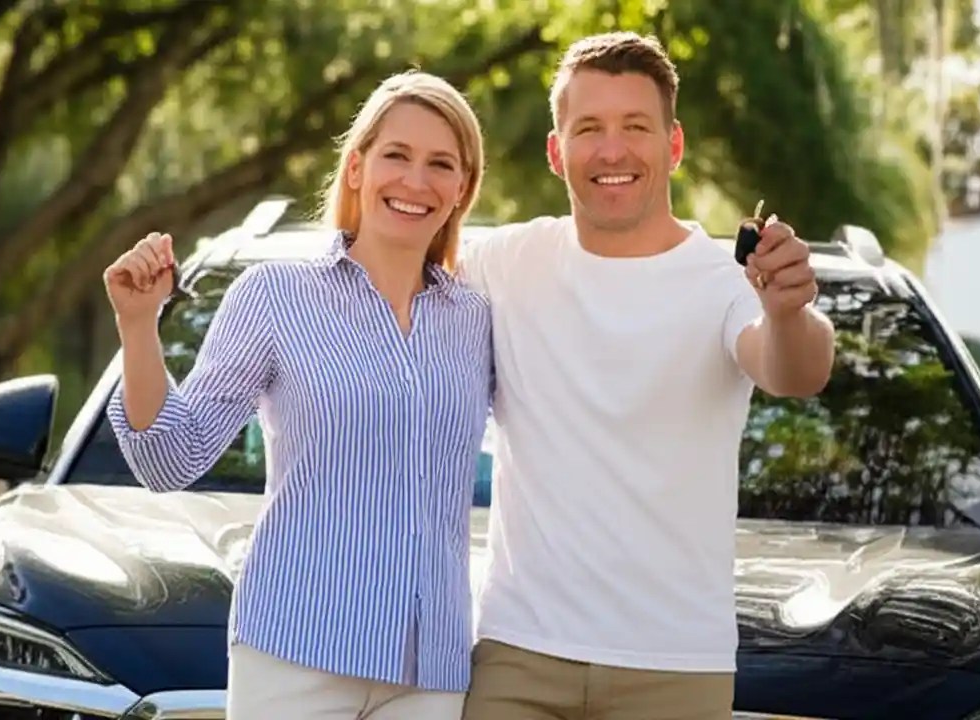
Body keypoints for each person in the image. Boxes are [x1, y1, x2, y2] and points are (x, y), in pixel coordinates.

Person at [457, 32, 836, 720]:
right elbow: (383, 300)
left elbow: (794, 371)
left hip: (673, 667)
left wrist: (788, 313)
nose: (612, 151)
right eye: (589, 128)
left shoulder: (724, 281)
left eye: (636, 126)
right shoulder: (503, 264)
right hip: (519, 653)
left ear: (673, 145)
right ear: (556, 150)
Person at [101, 70, 492, 720]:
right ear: (359, 167)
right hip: (298, 650)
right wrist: (138, 327)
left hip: (432, 666)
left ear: (462, 187)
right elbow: (171, 459)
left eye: (440, 164)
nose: (415, 181)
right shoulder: (274, 296)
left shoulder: (478, 318)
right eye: (397, 155)